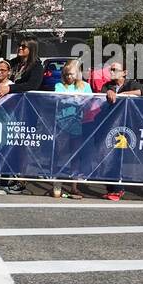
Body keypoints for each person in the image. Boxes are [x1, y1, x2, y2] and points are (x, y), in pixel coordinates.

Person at [100, 62, 143, 201]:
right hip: (109, 126)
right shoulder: (107, 85)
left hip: (126, 127)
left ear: (124, 72)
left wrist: (123, 94)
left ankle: (117, 189)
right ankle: (111, 188)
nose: (112, 72)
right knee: (106, 156)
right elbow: (102, 94)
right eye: (111, 70)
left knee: (118, 157)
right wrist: (109, 92)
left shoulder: (131, 84)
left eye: (115, 70)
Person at [52, 60, 91, 199]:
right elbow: (60, 99)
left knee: (75, 156)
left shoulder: (85, 86)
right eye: (66, 74)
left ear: (78, 74)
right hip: (61, 124)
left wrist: (73, 99)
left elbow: (88, 101)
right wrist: (75, 100)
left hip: (78, 125)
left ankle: (74, 186)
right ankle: (57, 185)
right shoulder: (59, 85)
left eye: (72, 74)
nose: (69, 77)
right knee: (58, 154)